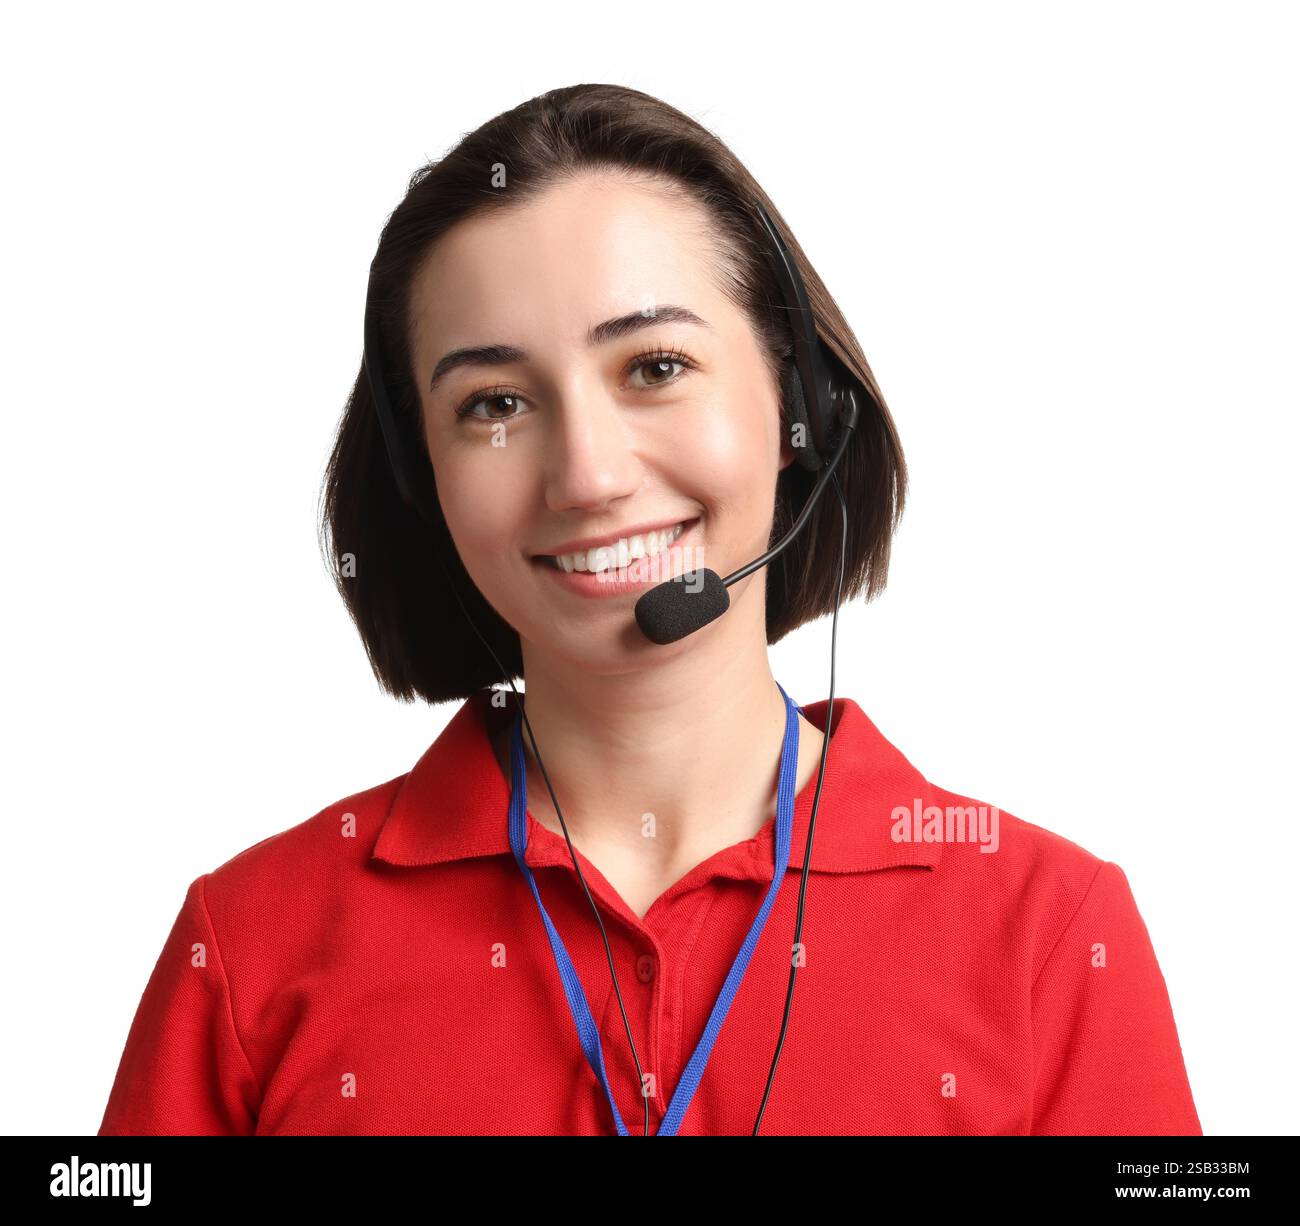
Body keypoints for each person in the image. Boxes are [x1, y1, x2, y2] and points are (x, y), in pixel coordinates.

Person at [98, 84, 1200, 1136]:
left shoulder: (1049, 931)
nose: (586, 473)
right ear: (422, 479)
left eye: (655, 364)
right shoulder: (248, 948)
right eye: (494, 402)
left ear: (799, 406)